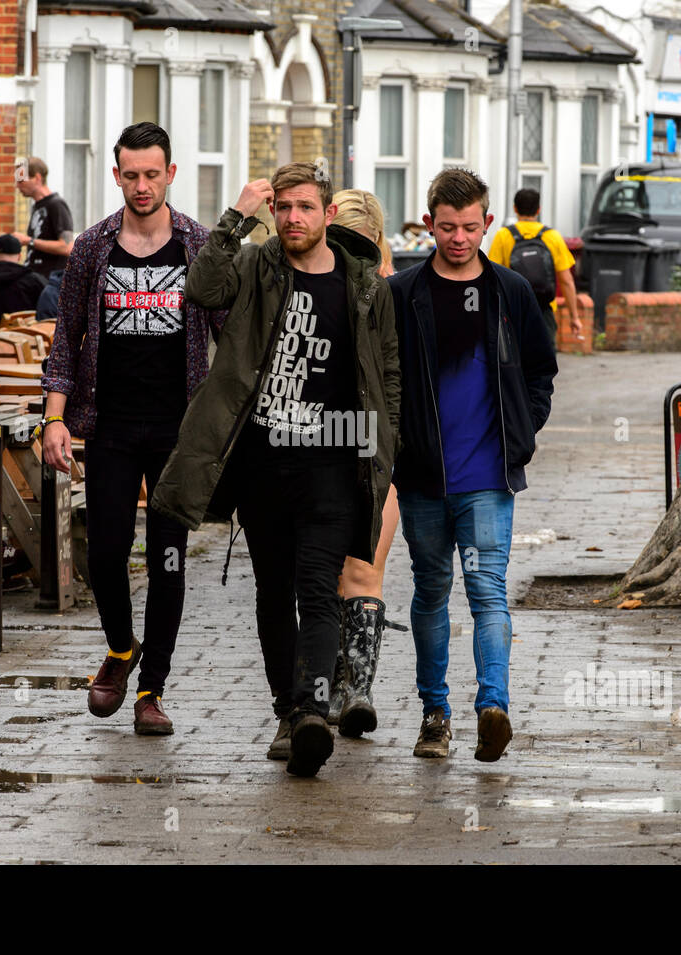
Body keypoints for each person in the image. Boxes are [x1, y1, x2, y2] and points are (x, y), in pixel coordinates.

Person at [149, 162, 400, 778]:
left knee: (317, 591)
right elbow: (200, 291)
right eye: (283, 207)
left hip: (334, 466)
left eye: (304, 207)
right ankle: (288, 711)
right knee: (271, 594)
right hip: (263, 465)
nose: (292, 218)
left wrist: (382, 446)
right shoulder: (258, 265)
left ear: (327, 214)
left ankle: (313, 709)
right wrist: (236, 216)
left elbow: (387, 374)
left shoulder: (365, 285)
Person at [40, 122, 228, 736]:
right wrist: (54, 419)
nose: (142, 185)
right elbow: (66, 337)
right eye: (131, 174)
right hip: (112, 425)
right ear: (116, 175)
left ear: (171, 174)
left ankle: (152, 692)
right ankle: (122, 649)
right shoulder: (94, 248)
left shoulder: (198, 245)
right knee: (106, 553)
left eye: (153, 174)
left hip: (179, 431)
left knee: (170, 560)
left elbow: (230, 331)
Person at [387, 169, 558, 762]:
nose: (458, 238)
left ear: (488, 223)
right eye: (447, 226)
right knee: (431, 590)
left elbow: (541, 371)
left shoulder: (509, 291)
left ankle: (494, 707)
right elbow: (383, 380)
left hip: (488, 477)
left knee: (487, 591)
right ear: (428, 222)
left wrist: (523, 432)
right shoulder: (402, 295)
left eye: (469, 226)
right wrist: (393, 445)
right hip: (422, 478)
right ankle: (435, 713)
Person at [322, 188, 400, 739]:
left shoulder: (388, 296)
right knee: (348, 572)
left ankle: (348, 694)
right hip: (353, 446)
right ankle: (349, 689)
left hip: (363, 448)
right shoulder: (392, 291)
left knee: (346, 571)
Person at [486, 187, 582, 342]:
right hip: (544, 311)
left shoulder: (503, 236)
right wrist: (574, 317)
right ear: (538, 209)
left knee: (515, 360)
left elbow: (491, 277)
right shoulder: (553, 237)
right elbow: (566, 281)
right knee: (544, 362)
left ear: (515, 208)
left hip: (513, 310)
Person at [13, 157, 75, 278]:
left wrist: (28, 241)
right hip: (34, 277)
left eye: (21, 181)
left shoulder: (56, 204)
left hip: (49, 282)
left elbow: (67, 247)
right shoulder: (38, 206)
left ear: (37, 178)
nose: (17, 186)